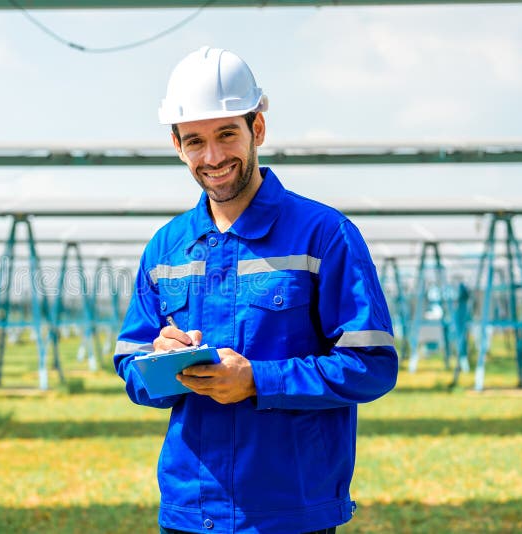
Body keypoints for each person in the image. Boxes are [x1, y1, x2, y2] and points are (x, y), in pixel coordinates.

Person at [113, 46, 398, 534]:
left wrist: (258, 381)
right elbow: (130, 365)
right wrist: (158, 361)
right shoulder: (167, 248)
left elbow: (371, 365)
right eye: (195, 141)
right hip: (189, 508)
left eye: (227, 135)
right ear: (177, 145)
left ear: (257, 130)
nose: (214, 157)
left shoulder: (323, 235)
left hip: (290, 512)